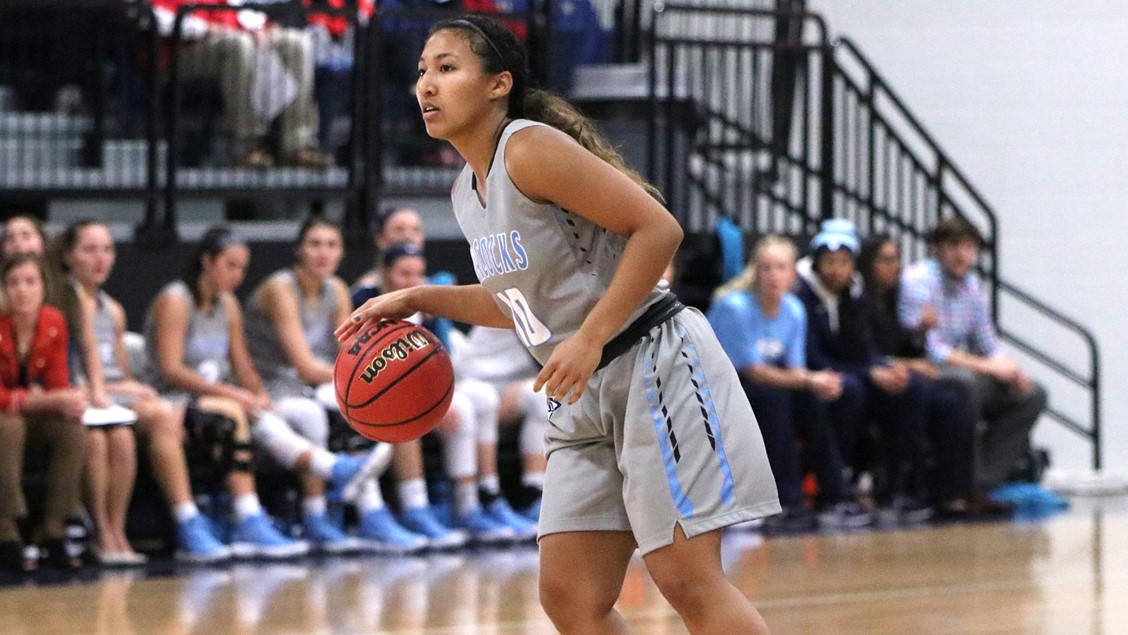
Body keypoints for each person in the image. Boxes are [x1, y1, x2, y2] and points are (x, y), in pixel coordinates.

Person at [339, 15, 780, 633]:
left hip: (651, 363)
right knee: (570, 596)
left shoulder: (528, 147)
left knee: (686, 579)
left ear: (498, 84)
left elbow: (658, 230)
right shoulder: (466, 190)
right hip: (578, 390)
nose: (427, 85)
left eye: (447, 68)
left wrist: (591, 337)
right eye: (421, 72)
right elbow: (520, 302)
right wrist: (418, 298)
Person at [145, 226, 379, 559]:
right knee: (234, 415)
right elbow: (171, 370)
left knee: (259, 411)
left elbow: (242, 365)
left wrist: (256, 394)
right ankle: (326, 472)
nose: (238, 275)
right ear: (207, 261)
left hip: (217, 396)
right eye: (230, 265)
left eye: (242, 267)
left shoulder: (228, 304)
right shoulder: (176, 300)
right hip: (173, 397)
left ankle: (265, 515)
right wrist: (233, 393)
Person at [243, 216, 420, 553]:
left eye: (331, 245)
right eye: (315, 244)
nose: (323, 253)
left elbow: (350, 354)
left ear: (341, 252)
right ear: (299, 249)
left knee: (366, 402)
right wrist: (371, 376)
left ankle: (371, 513)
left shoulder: (337, 289)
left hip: (312, 386)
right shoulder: (280, 289)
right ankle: (317, 514)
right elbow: (305, 366)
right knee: (319, 411)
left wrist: (375, 376)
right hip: (271, 387)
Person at [708, 235, 870, 531]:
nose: (773, 275)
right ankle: (785, 500)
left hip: (763, 385)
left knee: (814, 401)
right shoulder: (735, 308)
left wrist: (818, 383)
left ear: (793, 274)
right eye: (766, 267)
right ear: (755, 272)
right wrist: (811, 379)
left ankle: (835, 496)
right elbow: (753, 371)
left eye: (781, 267)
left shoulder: (794, 309)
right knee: (775, 400)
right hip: (715, 388)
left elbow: (795, 369)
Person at [900, 217, 1048, 497]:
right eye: (953, 246)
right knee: (964, 385)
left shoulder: (972, 286)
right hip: (923, 370)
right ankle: (958, 483)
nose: (961, 255)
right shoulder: (917, 280)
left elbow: (987, 341)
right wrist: (989, 367)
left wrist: (1009, 368)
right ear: (937, 248)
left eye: (968, 247)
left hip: (962, 369)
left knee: (1032, 394)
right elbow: (931, 350)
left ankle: (983, 481)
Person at [795, 219, 931, 522]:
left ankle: (896, 489)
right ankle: (835, 488)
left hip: (854, 372)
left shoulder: (855, 296)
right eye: (829, 262)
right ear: (816, 264)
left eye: (843, 262)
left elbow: (864, 349)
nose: (836, 270)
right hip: (820, 377)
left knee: (910, 388)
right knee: (850, 391)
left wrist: (884, 369)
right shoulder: (802, 298)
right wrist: (869, 373)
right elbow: (812, 358)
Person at [858, 235, 1001, 519]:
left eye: (896, 260)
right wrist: (909, 364)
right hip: (871, 374)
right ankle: (900, 488)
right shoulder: (859, 299)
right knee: (921, 390)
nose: (894, 267)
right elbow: (863, 351)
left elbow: (904, 343)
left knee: (954, 399)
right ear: (869, 263)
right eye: (885, 260)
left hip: (901, 370)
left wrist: (920, 331)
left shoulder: (894, 297)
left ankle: (952, 491)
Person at [53, 221, 147, 566]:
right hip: (77, 395)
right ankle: (100, 530)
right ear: (68, 255)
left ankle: (118, 529)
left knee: (122, 437)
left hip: (106, 398)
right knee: (94, 440)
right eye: (90, 249)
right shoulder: (63, 300)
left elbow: (120, 372)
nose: (100, 258)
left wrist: (125, 388)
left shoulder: (114, 309)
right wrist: (104, 390)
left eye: (107, 250)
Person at [151, 0, 334, 168]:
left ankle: (297, 145)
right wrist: (205, 29)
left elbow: (240, 9)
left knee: (295, 42)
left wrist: (261, 28)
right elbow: (156, 18)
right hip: (179, 51)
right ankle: (247, 146)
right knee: (239, 44)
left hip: (231, 34)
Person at [0, 254, 88, 572]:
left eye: (30, 282)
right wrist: (34, 400)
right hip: (7, 417)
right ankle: (6, 527)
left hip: (27, 412)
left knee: (72, 426)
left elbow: (58, 386)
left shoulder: (53, 322)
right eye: (13, 283)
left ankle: (53, 526)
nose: (22, 290)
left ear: (43, 287)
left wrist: (66, 400)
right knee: (8, 425)